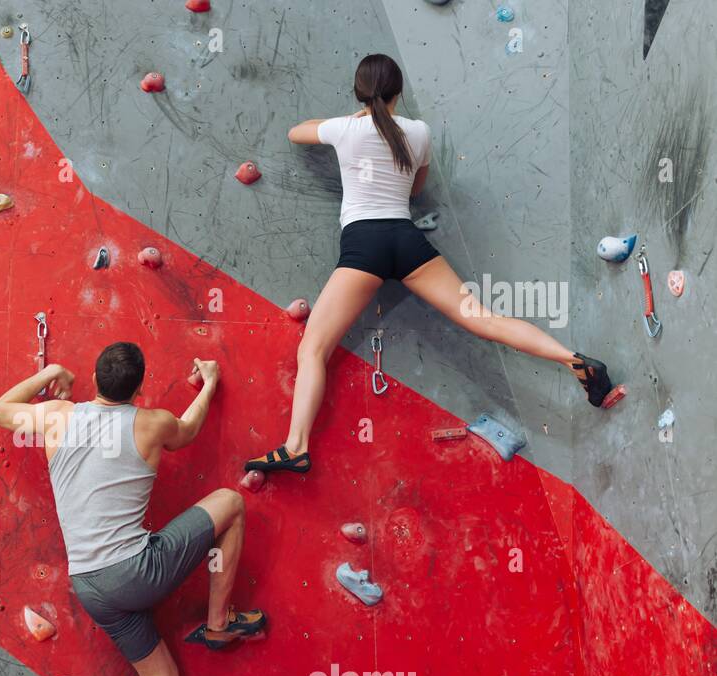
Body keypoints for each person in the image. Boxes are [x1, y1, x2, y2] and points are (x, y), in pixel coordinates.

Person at [245, 53, 615, 476]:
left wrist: (352, 118)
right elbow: (416, 188)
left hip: (364, 245)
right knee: (484, 318)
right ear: (399, 93)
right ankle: (574, 361)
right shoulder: (418, 132)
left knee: (313, 348)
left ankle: (296, 445)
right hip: (406, 241)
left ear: (359, 92)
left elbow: (296, 133)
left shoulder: (344, 129)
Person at [0, 343, 266, 676]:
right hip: (138, 571)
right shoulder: (152, 422)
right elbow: (191, 427)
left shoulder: (55, 416)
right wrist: (210, 383)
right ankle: (220, 622)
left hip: (90, 587)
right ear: (139, 388)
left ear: (94, 379)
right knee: (231, 502)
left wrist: (51, 370)